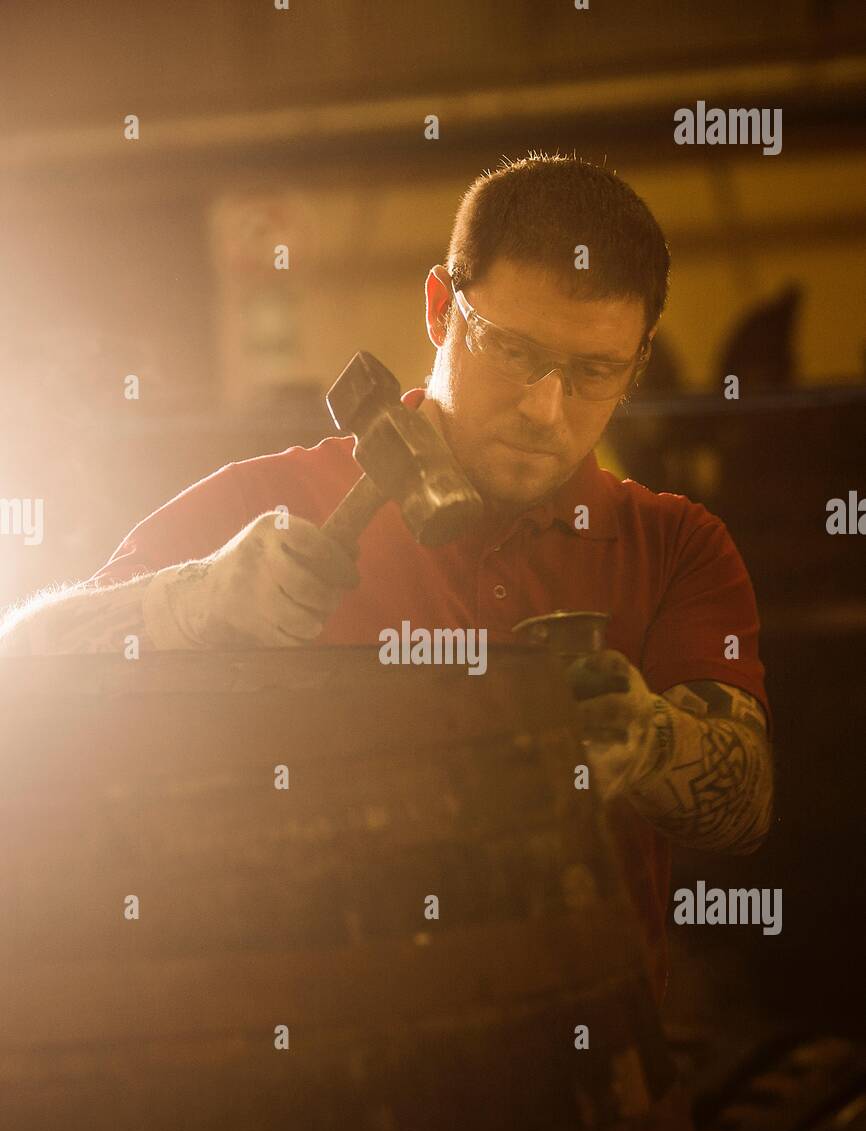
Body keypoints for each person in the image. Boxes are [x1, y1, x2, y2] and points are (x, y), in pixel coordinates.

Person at [0, 154, 773, 1002]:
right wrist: (189, 604)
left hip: (590, 1089)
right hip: (309, 1077)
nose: (546, 409)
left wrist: (652, 738)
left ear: (639, 360)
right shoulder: (266, 504)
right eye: (513, 351)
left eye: (594, 373)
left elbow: (746, 806)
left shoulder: (674, 548)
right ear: (442, 308)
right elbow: (20, 678)